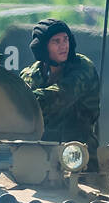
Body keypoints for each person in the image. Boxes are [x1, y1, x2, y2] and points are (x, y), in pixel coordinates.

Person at [19, 18, 100, 153]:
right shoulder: (30, 74)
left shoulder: (82, 67)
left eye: (65, 39)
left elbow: (60, 95)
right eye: (56, 41)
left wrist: (15, 100)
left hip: (77, 156)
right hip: (36, 154)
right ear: (43, 47)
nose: (63, 46)